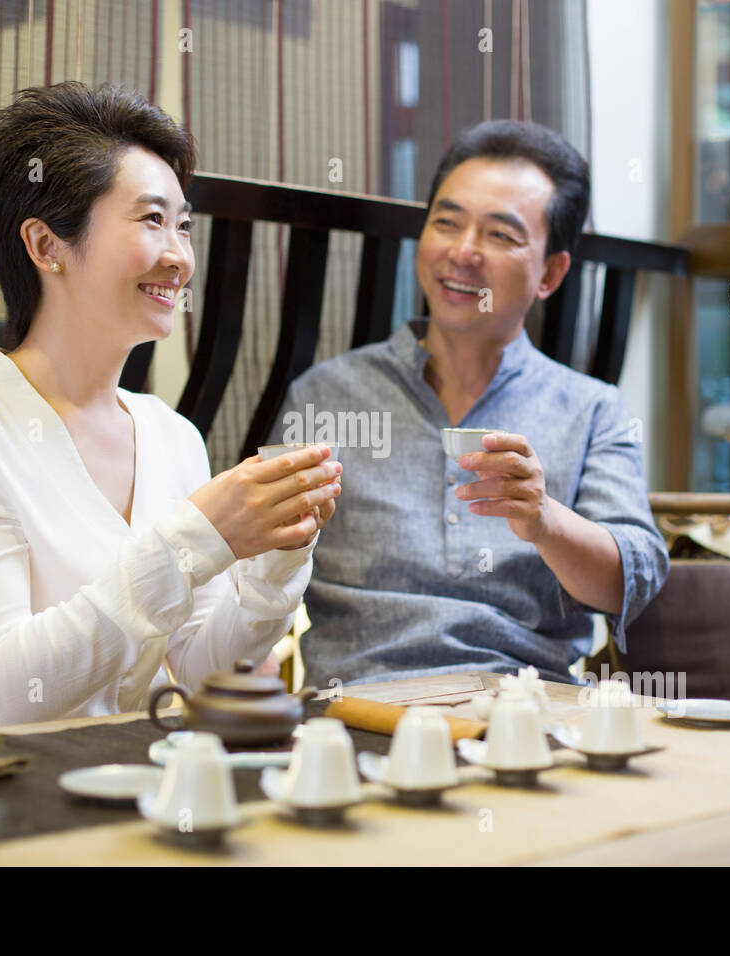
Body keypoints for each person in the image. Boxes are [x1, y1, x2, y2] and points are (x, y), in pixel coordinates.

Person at [0, 83, 340, 738]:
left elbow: (207, 675)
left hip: (128, 796)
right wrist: (196, 541)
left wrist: (276, 560)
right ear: (46, 246)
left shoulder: (172, 437)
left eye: (184, 225)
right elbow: (3, 697)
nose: (179, 256)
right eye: (151, 221)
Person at [268, 120, 668, 689]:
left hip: (526, 714)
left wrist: (543, 519)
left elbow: (631, 579)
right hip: (356, 709)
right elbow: (264, 569)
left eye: (500, 235)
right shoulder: (328, 396)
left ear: (551, 273)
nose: (462, 252)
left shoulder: (592, 409)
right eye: (446, 223)